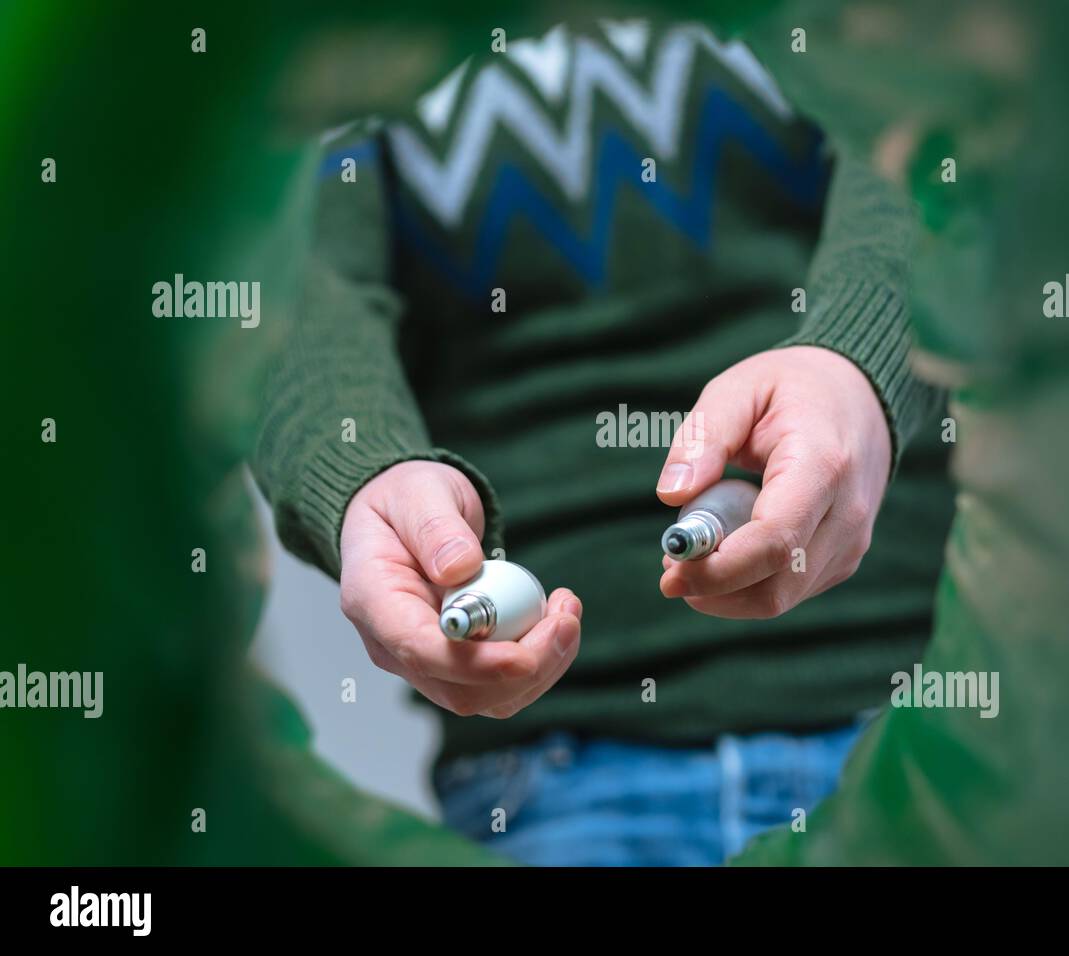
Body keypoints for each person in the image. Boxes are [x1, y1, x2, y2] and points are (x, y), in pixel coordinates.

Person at [253, 18, 953, 866]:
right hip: (552, 769)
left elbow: (951, 158)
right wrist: (360, 478)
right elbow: (289, 286)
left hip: (906, 724)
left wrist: (859, 362)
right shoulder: (345, 55)